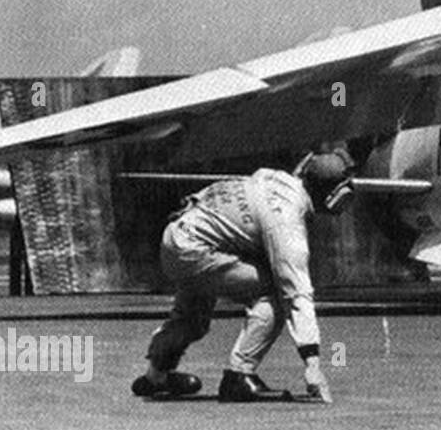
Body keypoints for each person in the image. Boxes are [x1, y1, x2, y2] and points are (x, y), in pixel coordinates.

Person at [130, 150, 355, 402]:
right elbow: (296, 291)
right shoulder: (286, 219)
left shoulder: (271, 180)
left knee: (193, 317)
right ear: (334, 196)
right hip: (197, 249)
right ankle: (239, 374)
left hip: (176, 240)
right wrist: (312, 363)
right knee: (273, 292)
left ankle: (155, 377)